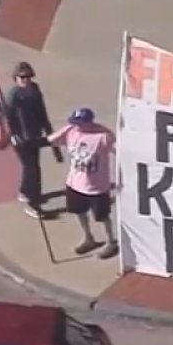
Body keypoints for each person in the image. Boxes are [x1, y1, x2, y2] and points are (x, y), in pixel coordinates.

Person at [48, 107, 118, 259]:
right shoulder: (71, 131)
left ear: (90, 122)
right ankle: (88, 237)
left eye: (81, 123)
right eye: (75, 122)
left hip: (96, 186)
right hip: (75, 183)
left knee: (102, 216)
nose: (78, 126)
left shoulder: (102, 136)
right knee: (79, 212)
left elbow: (117, 150)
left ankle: (110, 241)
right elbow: (51, 140)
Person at [3, 61, 60, 219]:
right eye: (22, 77)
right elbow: (7, 117)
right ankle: (31, 201)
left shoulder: (35, 90)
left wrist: (48, 132)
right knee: (32, 169)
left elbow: (42, 112)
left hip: (35, 134)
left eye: (28, 76)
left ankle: (25, 192)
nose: (26, 80)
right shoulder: (14, 95)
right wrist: (13, 135)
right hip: (22, 138)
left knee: (33, 167)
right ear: (16, 78)